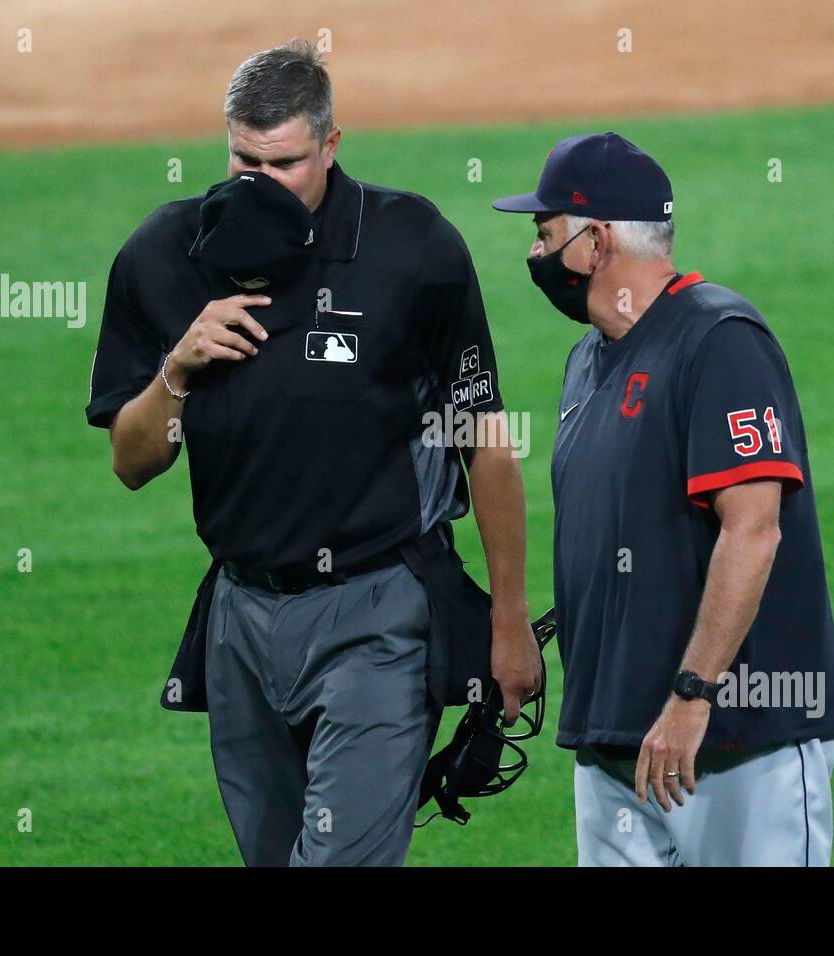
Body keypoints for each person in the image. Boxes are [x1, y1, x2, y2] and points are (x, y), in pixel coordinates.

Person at [85, 38, 540, 866]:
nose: (259, 183)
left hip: (378, 611)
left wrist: (509, 619)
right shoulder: (165, 255)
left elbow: (486, 441)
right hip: (241, 619)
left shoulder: (412, 249)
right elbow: (131, 459)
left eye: (284, 162)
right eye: (242, 159)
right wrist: (177, 370)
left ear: (331, 146)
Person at [492, 132, 834, 866]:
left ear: (594, 242)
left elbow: (753, 532)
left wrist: (692, 698)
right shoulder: (588, 359)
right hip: (613, 739)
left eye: (544, 232)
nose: (533, 254)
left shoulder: (720, 340)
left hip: (735, 739)